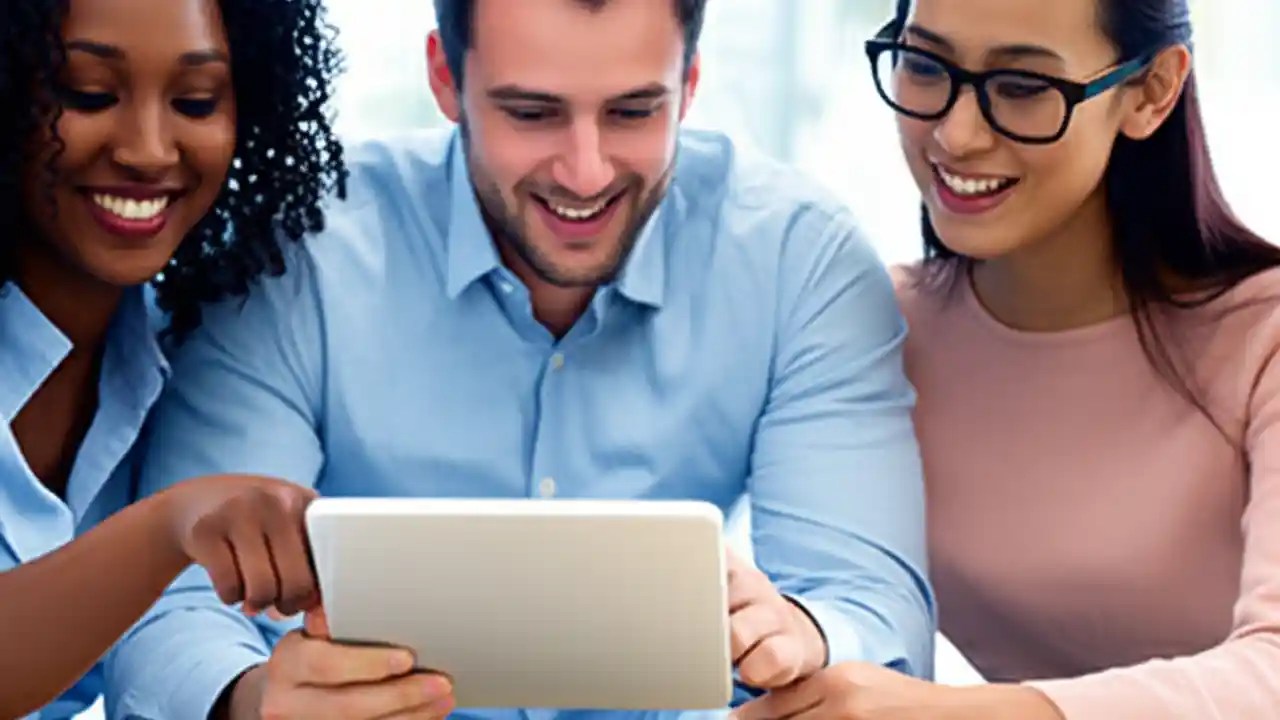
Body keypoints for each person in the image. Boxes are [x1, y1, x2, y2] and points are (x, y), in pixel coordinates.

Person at [105, 0, 938, 718]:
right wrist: (254, 699)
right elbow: (168, 606)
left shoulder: (799, 258)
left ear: (688, 84)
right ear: (445, 79)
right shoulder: (300, 250)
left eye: (633, 112)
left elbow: (874, 607)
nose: (585, 173)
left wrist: (804, 632)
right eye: (532, 114)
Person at [731, 0, 1280, 719]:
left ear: (1151, 92)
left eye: (1022, 87)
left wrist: (953, 714)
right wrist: (785, 634)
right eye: (925, 65)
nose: (955, 134)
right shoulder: (868, 327)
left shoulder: (1261, 336)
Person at [0, 0, 347, 716]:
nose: (150, 151)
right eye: (87, 95)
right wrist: (167, 528)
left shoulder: (182, 344)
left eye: (195, 102)